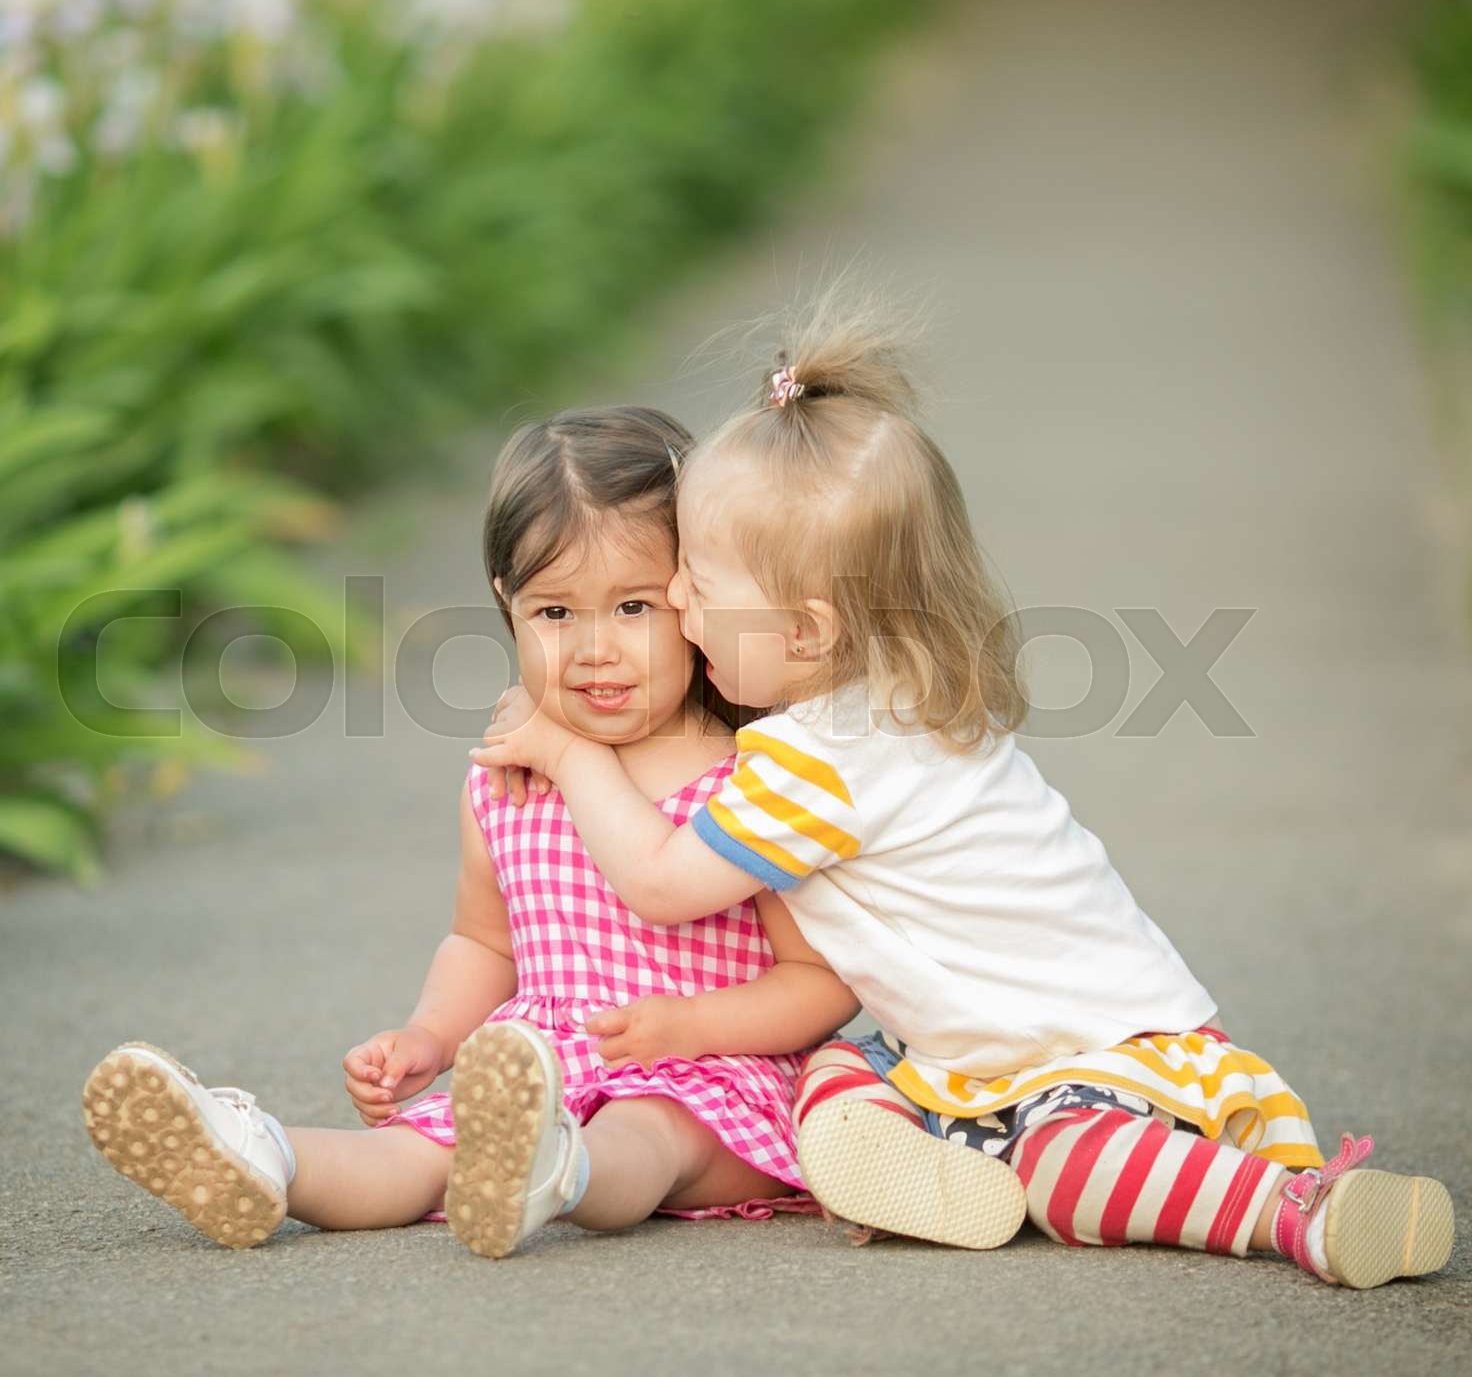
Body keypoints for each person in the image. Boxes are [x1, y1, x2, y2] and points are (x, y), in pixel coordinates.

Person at [474, 312, 1456, 1288]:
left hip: (1098, 1053)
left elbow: (657, 881)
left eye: (696, 579)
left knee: (1070, 1169)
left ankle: (1296, 1212)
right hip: (968, 1055)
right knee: (832, 1078)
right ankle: (957, 1182)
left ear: (807, 632)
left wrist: (570, 751)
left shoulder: (819, 763)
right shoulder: (893, 705)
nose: (679, 603)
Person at [81, 405, 857, 1256]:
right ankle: (261, 1155)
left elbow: (821, 983)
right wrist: (431, 1037)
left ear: (693, 598)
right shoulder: (504, 783)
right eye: (555, 615)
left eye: (633, 607)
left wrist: (687, 1030)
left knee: (654, 1130)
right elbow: (483, 944)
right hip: (531, 1075)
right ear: (508, 606)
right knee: (414, 1150)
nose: (595, 649)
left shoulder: (754, 784)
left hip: (716, 1076)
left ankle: (562, 1171)